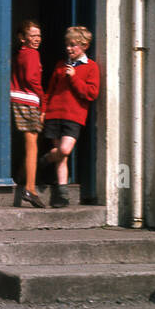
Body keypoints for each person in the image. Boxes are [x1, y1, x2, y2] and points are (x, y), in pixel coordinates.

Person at [39, 25, 101, 208]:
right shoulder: (60, 65)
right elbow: (49, 91)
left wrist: (74, 77)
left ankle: (44, 160)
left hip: (74, 116)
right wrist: (43, 110)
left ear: (85, 45)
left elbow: (91, 93)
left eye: (73, 45)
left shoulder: (91, 67)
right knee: (62, 157)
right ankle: (62, 195)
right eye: (67, 45)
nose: (69, 48)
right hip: (54, 114)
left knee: (64, 150)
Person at [10, 20, 45, 207]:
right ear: (22, 38)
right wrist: (43, 101)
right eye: (32, 36)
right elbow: (32, 79)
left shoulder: (22, 54)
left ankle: (20, 179)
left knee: (30, 144)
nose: (37, 39)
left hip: (19, 98)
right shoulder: (32, 54)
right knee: (32, 145)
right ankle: (30, 188)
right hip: (28, 101)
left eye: (38, 35)